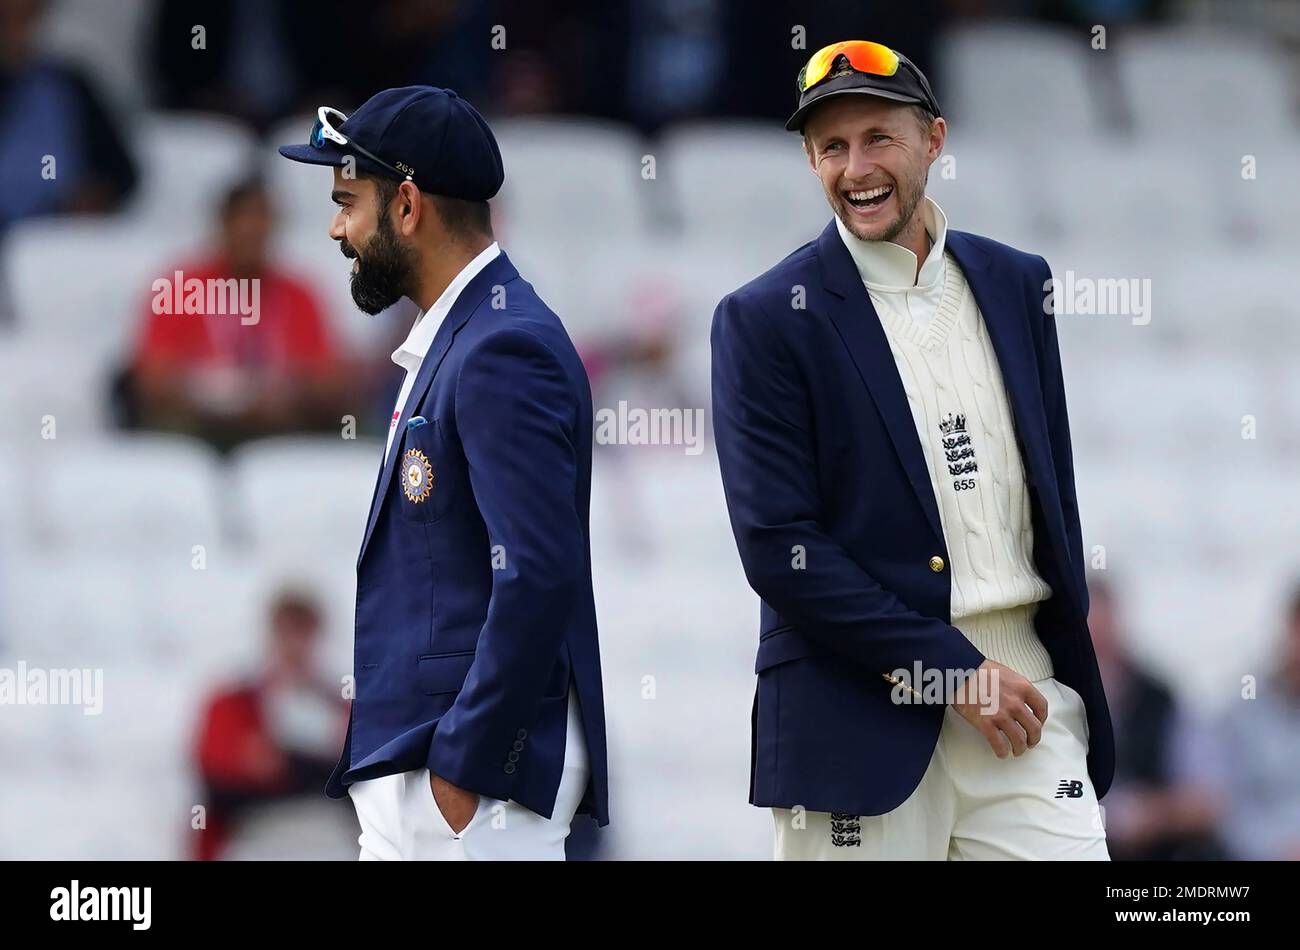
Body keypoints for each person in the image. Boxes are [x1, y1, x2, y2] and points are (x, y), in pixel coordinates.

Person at [710, 40, 1114, 860]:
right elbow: (780, 547)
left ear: (934, 140)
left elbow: (1052, 499)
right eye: (831, 147)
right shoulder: (762, 319)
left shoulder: (1015, 283)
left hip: (1026, 710)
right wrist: (950, 672)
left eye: (878, 138)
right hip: (856, 724)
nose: (855, 167)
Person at [278, 86, 608, 859]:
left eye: (346, 202)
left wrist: (463, 764)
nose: (335, 228)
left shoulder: (500, 346)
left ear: (407, 206)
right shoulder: (469, 335)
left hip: (470, 788)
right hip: (436, 781)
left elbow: (539, 571)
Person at [128, 177, 351, 453]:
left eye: (262, 221)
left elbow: (329, 381)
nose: (252, 231)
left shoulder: (299, 294)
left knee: (349, 426)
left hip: (278, 427)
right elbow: (151, 380)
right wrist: (212, 396)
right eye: (243, 220)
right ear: (222, 223)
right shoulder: (182, 287)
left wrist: (286, 392)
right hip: (198, 428)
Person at [193, 588, 349, 861]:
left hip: (327, 836)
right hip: (252, 832)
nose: (295, 646)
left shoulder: (342, 708)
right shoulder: (233, 704)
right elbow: (212, 764)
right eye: (288, 633)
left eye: (304, 634)